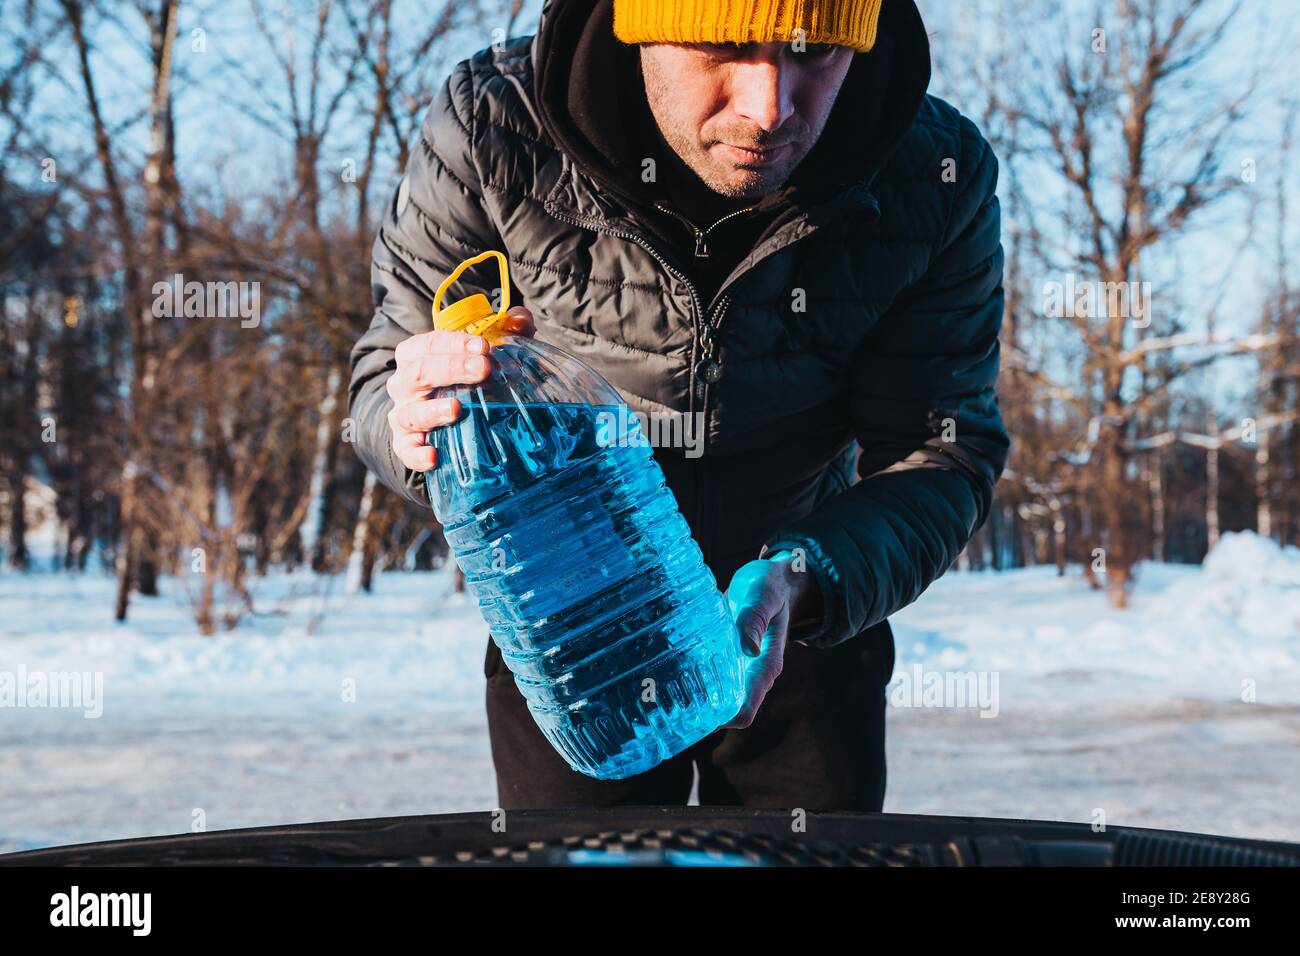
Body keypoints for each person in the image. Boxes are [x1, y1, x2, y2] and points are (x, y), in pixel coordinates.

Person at [349, 0, 1009, 811]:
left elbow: (941, 451)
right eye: (720, 44)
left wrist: (812, 579)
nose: (769, 107)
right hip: (575, 634)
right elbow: (386, 377)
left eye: (819, 52)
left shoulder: (932, 174)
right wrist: (411, 419)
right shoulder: (494, 126)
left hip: (807, 616)